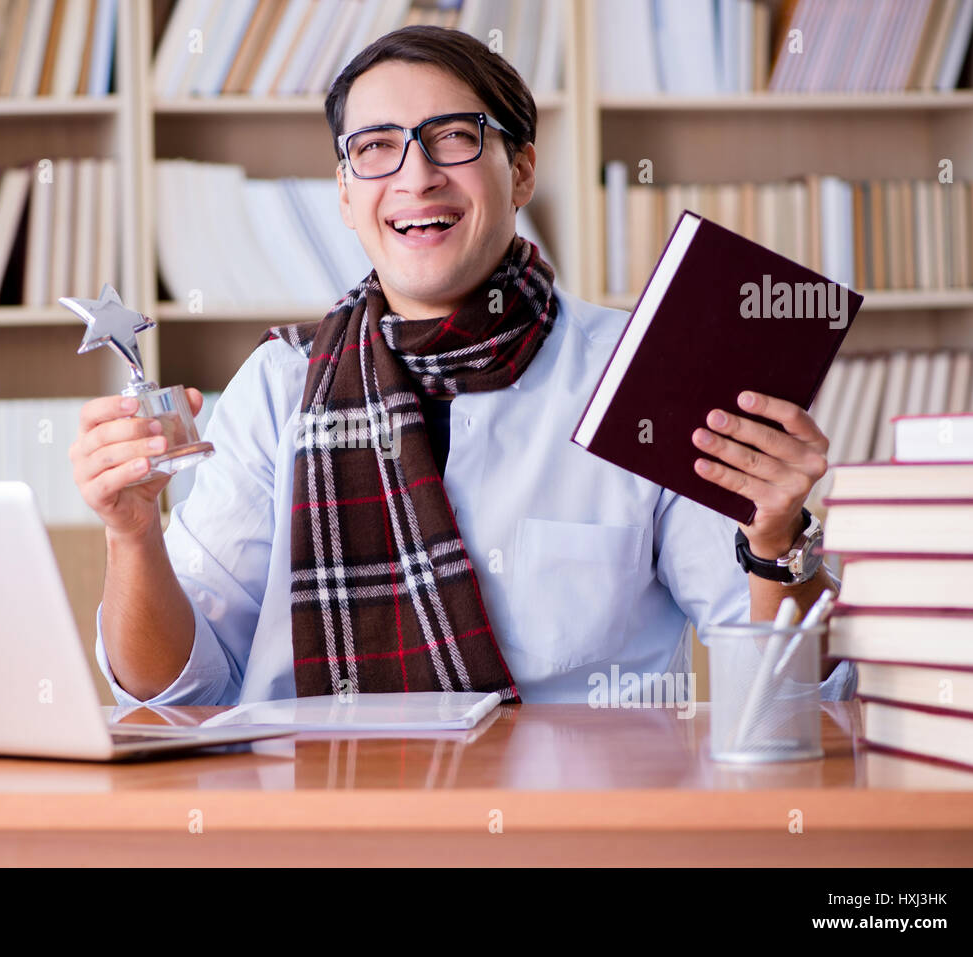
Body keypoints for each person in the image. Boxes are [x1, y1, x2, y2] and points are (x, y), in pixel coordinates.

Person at [69, 26, 854, 707]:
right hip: (317, 820)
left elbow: (795, 695)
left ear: (520, 172)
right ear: (345, 194)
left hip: (573, 826)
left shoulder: (640, 372)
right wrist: (132, 536)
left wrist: (779, 538)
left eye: (454, 136)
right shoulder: (279, 385)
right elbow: (176, 691)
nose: (416, 176)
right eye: (375, 149)